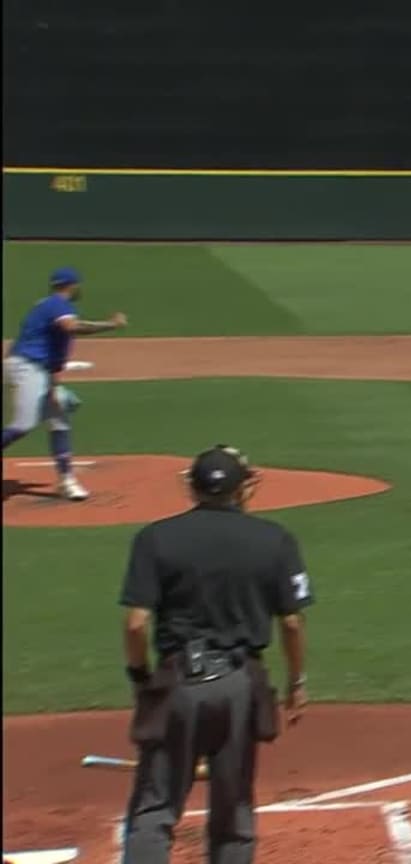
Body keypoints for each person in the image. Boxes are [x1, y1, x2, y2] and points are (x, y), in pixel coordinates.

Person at [119, 445, 314, 864]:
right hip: (241, 687)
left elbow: (136, 623)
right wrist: (297, 682)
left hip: (177, 684)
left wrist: (140, 679)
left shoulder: (155, 538)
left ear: (191, 488)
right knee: (233, 815)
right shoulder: (275, 539)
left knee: (154, 812)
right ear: (243, 489)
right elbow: (292, 623)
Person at [2, 267, 128, 500]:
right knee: (23, 424)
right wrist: (111, 325)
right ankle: (66, 479)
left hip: (35, 368)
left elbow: (52, 352)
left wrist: (54, 386)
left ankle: (66, 480)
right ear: (72, 285)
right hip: (28, 366)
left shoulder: (46, 306)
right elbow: (73, 327)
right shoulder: (58, 305)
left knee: (59, 417)